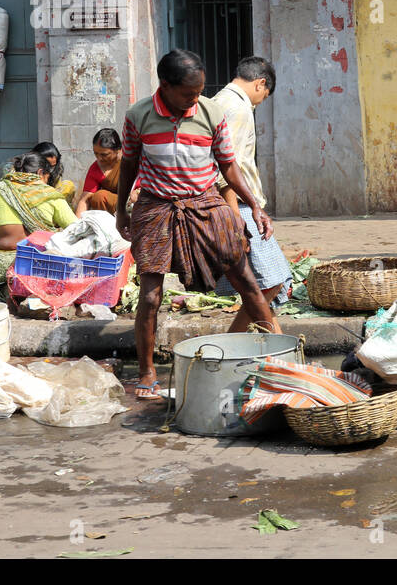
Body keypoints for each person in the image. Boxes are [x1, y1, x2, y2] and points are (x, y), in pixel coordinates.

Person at [116, 49, 278, 400]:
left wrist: (253, 205)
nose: (195, 99)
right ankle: (146, 373)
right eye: (188, 93)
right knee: (150, 295)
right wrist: (120, 211)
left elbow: (229, 165)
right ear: (165, 86)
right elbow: (128, 165)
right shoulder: (138, 116)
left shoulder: (212, 112)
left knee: (246, 279)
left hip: (205, 203)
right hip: (156, 206)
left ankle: (277, 363)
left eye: (200, 91)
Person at [212, 56, 293, 333]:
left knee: (258, 285)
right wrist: (235, 218)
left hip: (237, 205)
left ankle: (279, 347)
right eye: (265, 95)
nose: (262, 100)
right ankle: (232, 340)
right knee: (271, 281)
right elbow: (226, 168)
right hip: (240, 207)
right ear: (260, 84)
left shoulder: (220, 101)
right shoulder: (238, 108)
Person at [0, 152, 78, 284]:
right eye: (47, 176)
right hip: (38, 266)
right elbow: (77, 229)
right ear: (40, 173)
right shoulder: (52, 195)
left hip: (0, 268)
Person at [74, 128, 139, 216]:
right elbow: (85, 199)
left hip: (136, 204)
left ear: (118, 150)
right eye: (96, 154)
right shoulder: (96, 168)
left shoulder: (132, 161)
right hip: (116, 207)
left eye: (104, 155)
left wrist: (138, 192)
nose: (99, 158)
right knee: (99, 197)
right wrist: (75, 226)